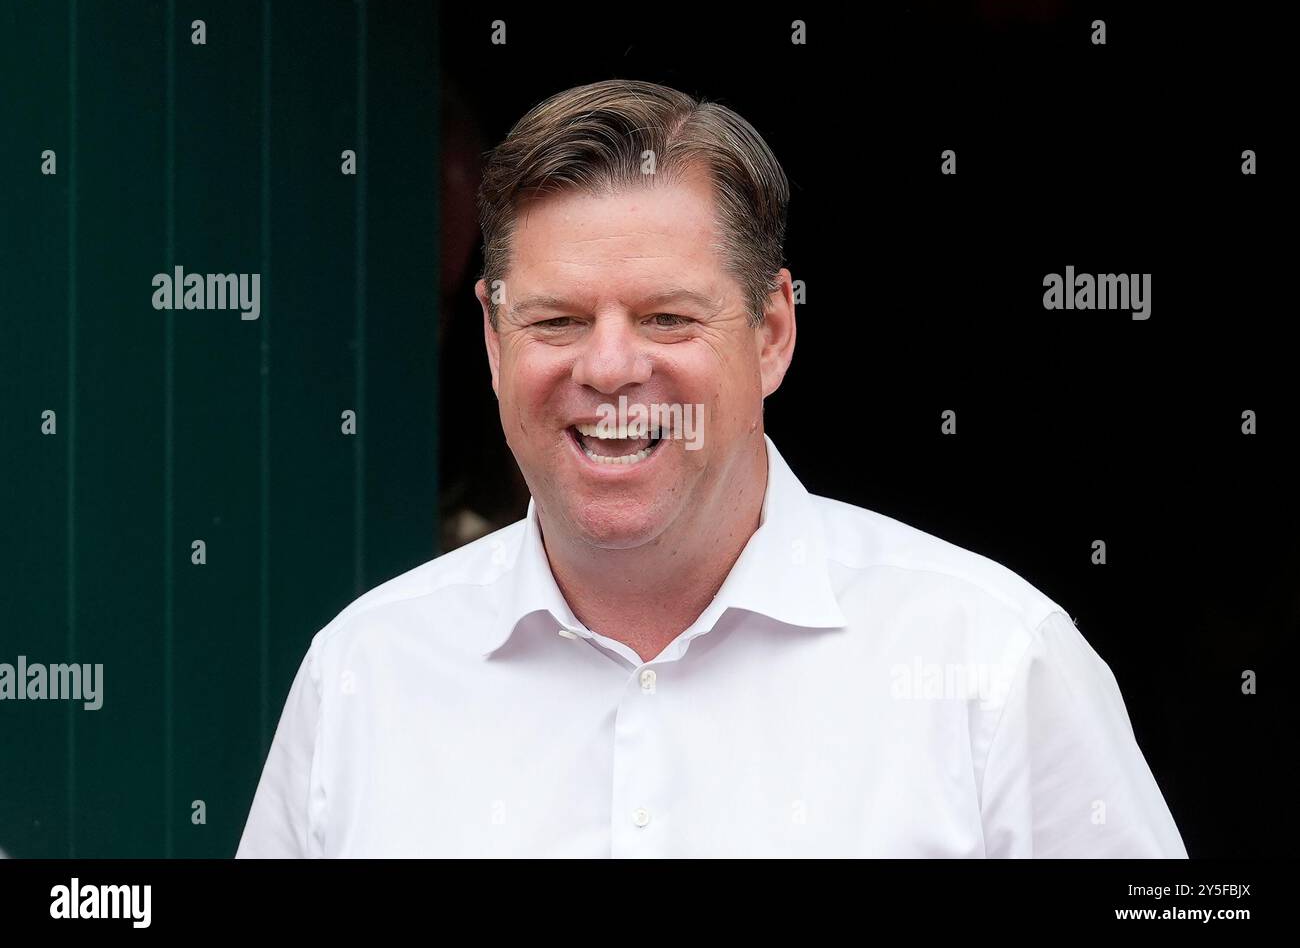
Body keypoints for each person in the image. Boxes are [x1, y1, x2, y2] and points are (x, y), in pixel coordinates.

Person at [236, 79, 1186, 858]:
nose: (608, 369)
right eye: (557, 320)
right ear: (491, 339)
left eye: (667, 318)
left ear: (772, 332)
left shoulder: (991, 664)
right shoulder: (365, 672)